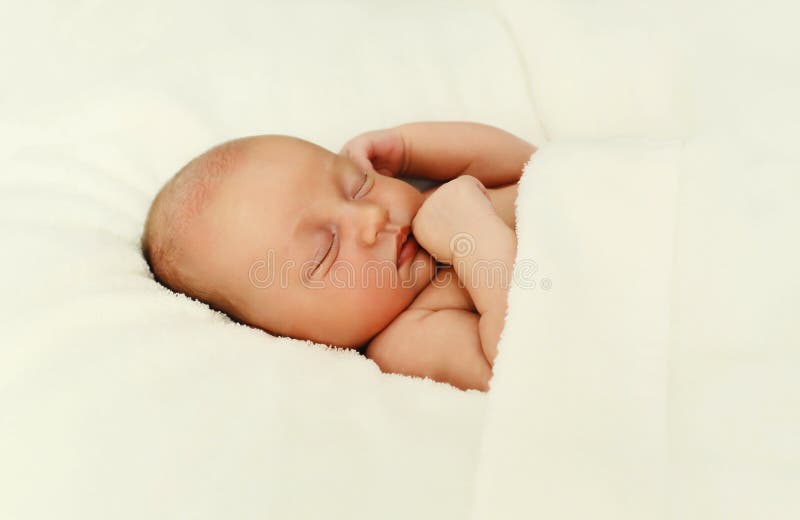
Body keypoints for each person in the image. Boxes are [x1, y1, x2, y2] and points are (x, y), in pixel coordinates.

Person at [141, 122, 535, 391]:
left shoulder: (432, 210)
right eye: (326, 250)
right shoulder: (409, 338)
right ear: (289, 335)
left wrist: (408, 148)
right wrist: (473, 236)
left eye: (358, 185)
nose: (372, 217)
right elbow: (519, 362)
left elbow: (530, 166)